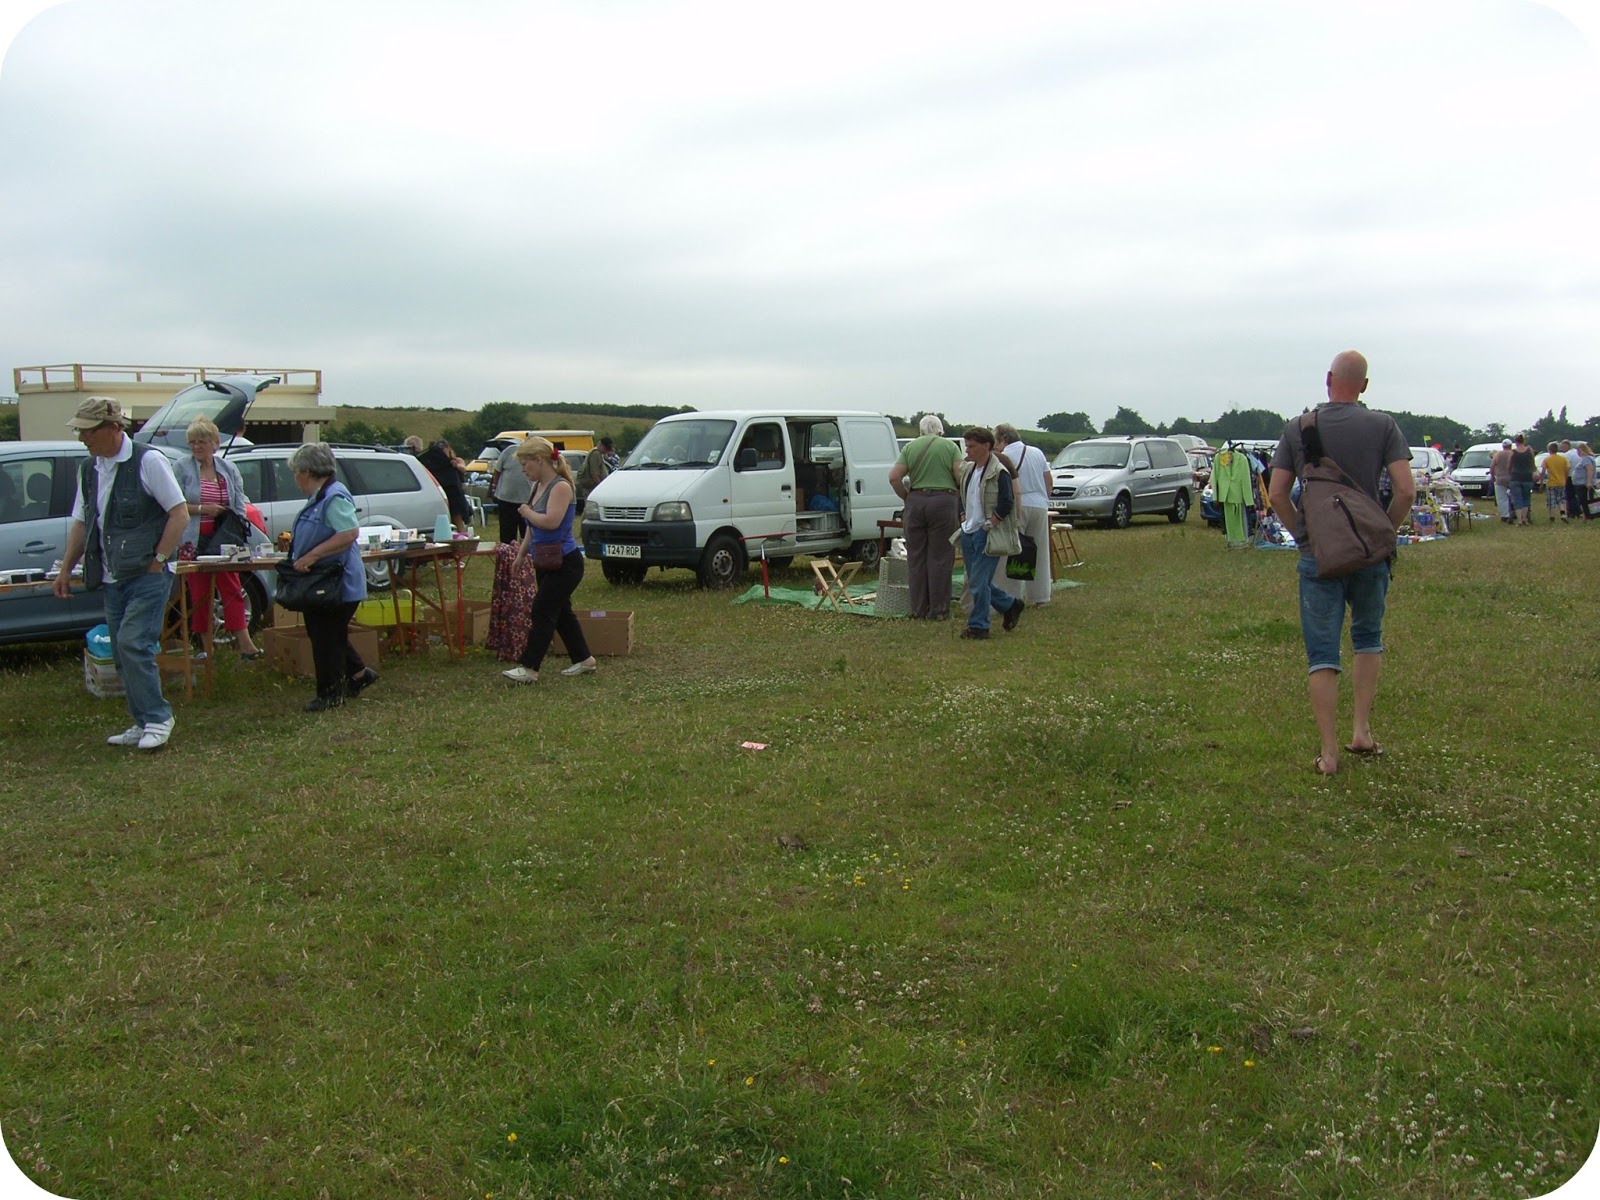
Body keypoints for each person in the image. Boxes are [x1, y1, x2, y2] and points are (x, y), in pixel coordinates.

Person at [1267, 351, 1412, 777]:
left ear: (1328, 379)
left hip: (1319, 556)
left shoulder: (1298, 428)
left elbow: (1276, 494)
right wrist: (1382, 532)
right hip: (1370, 554)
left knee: (1322, 653)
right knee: (1368, 637)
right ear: (1364, 385)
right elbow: (1405, 490)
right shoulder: (1384, 426)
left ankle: (1329, 754)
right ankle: (1361, 731)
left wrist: (1304, 535)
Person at [53, 396, 189, 750]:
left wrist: (159, 559)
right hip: (111, 576)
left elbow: (179, 513)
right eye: (80, 431)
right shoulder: (89, 469)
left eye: (88, 431)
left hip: (147, 574)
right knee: (120, 650)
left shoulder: (149, 461)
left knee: (134, 643)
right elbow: (82, 523)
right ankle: (142, 722)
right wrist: (65, 569)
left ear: (114, 427)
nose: (83, 438)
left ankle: (158, 718)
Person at [287, 443, 378, 712]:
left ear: (307, 471)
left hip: (337, 582)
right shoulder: (321, 497)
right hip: (323, 580)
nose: (295, 478)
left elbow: (349, 533)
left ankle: (330, 694)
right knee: (326, 633)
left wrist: (311, 556)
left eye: (296, 472)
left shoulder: (334, 496)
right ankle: (360, 675)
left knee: (326, 637)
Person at [500, 437, 597, 684]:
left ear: (539, 460)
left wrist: (526, 511)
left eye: (525, 464)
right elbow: (532, 527)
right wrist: (521, 554)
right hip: (545, 560)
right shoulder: (537, 487)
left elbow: (551, 522)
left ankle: (529, 667)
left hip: (565, 562)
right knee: (561, 611)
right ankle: (584, 659)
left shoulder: (561, 487)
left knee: (542, 610)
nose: (523, 470)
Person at [175, 417, 263, 660]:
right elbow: (175, 504)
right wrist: (203, 509)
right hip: (193, 540)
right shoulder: (182, 468)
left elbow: (239, 502)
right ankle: (207, 648)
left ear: (215, 443)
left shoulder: (228, 468)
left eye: (201, 442)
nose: (196, 447)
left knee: (232, 588)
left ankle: (246, 646)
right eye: (192, 442)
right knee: (200, 593)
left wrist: (237, 526)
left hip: (224, 538)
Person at [889, 416, 963, 620]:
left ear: (920, 430)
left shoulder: (910, 448)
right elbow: (960, 476)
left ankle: (919, 608)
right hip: (943, 502)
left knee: (916, 557)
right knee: (940, 556)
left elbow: (894, 477)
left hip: (916, 502)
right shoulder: (950, 447)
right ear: (940, 430)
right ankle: (938, 609)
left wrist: (907, 498)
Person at [955, 427, 1023, 640]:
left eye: (972, 446)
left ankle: (979, 626)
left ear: (986, 446)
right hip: (969, 531)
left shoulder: (999, 472)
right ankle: (1010, 605)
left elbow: (1007, 501)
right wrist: (963, 516)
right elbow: (962, 495)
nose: (968, 450)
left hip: (986, 533)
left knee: (977, 581)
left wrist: (989, 524)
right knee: (977, 580)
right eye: (967, 446)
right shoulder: (968, 470)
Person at [993, 423, 1053, 607]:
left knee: (1012, 551)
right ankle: (1041, 596)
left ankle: (1013, 596)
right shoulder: (1037, 452)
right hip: (1040, 505)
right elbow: (1048, 480)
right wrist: (1044, 499)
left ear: (1004, 440)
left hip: (1017, 505)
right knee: (1040, 551)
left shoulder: (1004, 457)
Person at [417, 439, 473, 532]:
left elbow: (463, 469)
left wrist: (456, 466)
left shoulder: (457, 460)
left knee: (457, 520)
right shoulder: (433, 462)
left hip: (454, 493)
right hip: (442, 492)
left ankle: (461, 536)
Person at [490, 439, 533, 544]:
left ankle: (526, 552)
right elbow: (497, 470)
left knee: (527, 534)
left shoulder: (534, 454)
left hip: (528, 500)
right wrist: (494, 487)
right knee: (507, 535)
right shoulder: (510, 450)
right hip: (506, 499)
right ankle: (508, 553)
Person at [575, 441, 612, 515]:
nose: (606, 451)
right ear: (601, 445)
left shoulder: (598, 453)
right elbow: (594, 474)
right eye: (606, 448)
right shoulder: (596, 454)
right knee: (590, 510)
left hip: (592, 485)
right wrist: (600, 487)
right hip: (592, 486)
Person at [1507, 434, 1536, 525]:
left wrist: (1510, 474)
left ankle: (1519, 520)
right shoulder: (1529, 451)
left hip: (1515, 477)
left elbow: (1509, 466)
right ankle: (1525, 519)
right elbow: (1533, 464)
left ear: (1516, 442)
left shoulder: (1512, 452)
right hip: (1527, 477)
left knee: (1517, 499)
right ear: (1524, 441)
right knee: (1526, 498)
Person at [1540, 440, 1569, 523]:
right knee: (1561, 499)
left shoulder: (1547, 459)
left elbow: (1543, 472)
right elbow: (1567, 470)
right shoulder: (1563, 459)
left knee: (1551, 500)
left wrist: (1541, 483)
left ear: (1549, 450)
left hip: (1551, 482)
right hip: (1561, 482)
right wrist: (1565, 479)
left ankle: (1552, 517)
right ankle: (1563, 514)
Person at [1490, 438, 1513, 522]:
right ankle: (1515, 513)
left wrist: (1493, 476)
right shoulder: (1513, 453)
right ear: (1510, 446)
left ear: (1503, 446)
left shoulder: (1497, 454)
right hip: (1512, 478)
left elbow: (1492, 466)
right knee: (1514, 497)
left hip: (1500, 478)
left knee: (1502, 498)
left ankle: (1505, 516)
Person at [1574, 443, 1597, 520]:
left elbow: (1590, 469)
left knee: (1583, 500)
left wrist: (1589, 482)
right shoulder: (1588, 458)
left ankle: (1588, 515)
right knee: (1584, 500)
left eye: (1578, 450)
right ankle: (1587, 515)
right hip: (1582, 483)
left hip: (1583, 483)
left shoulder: (1586, 458)